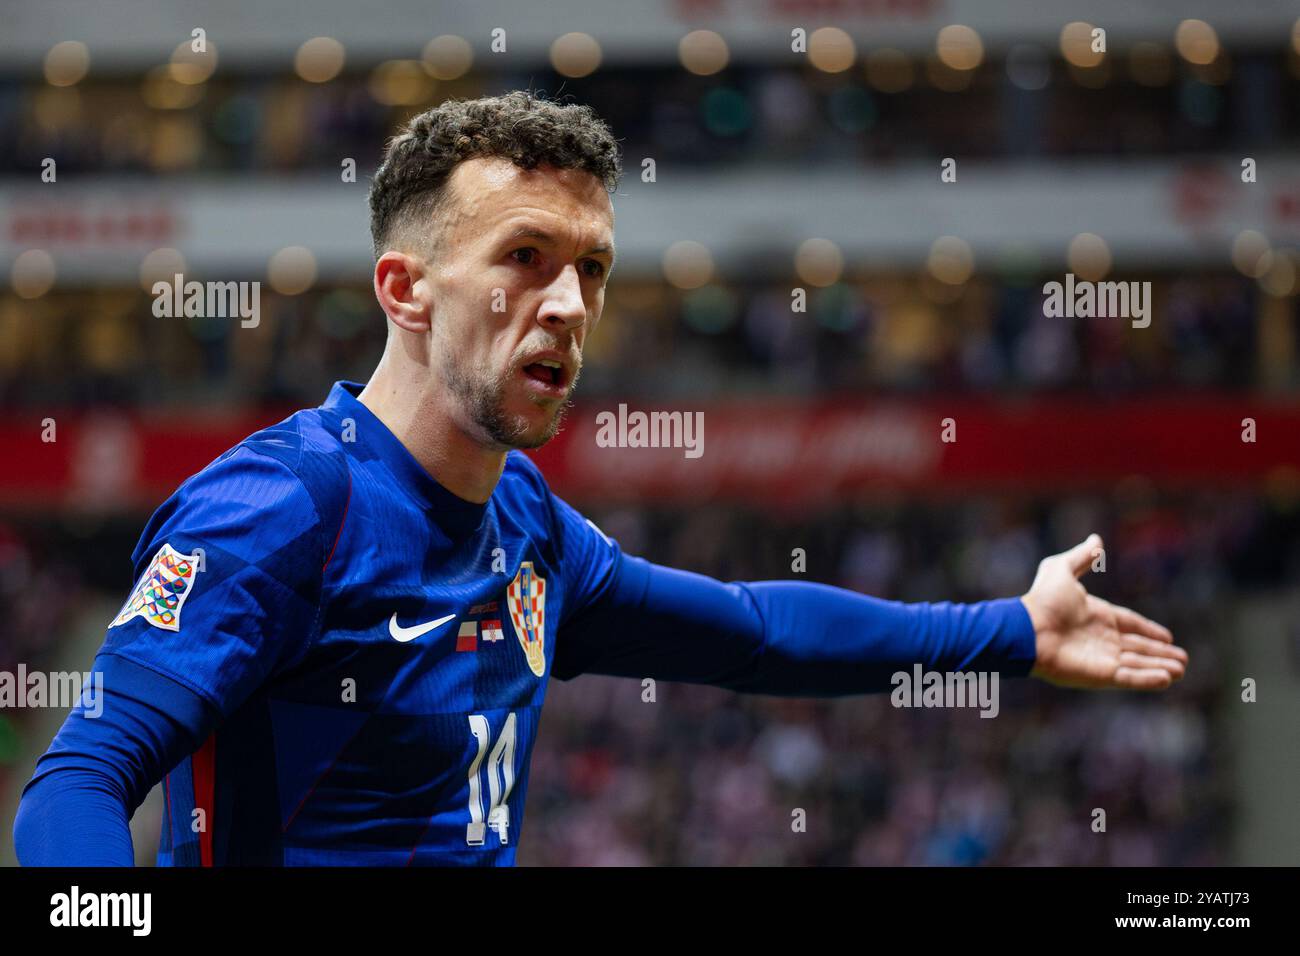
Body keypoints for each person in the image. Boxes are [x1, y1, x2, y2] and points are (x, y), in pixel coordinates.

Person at [13, 92, 1186, 866]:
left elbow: (753, 632)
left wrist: (1009, 628)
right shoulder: (282, 509)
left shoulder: (526, 528)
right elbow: (75, 783)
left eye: (591, 269)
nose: (568, 305)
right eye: (523, 259)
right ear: (405, 289)